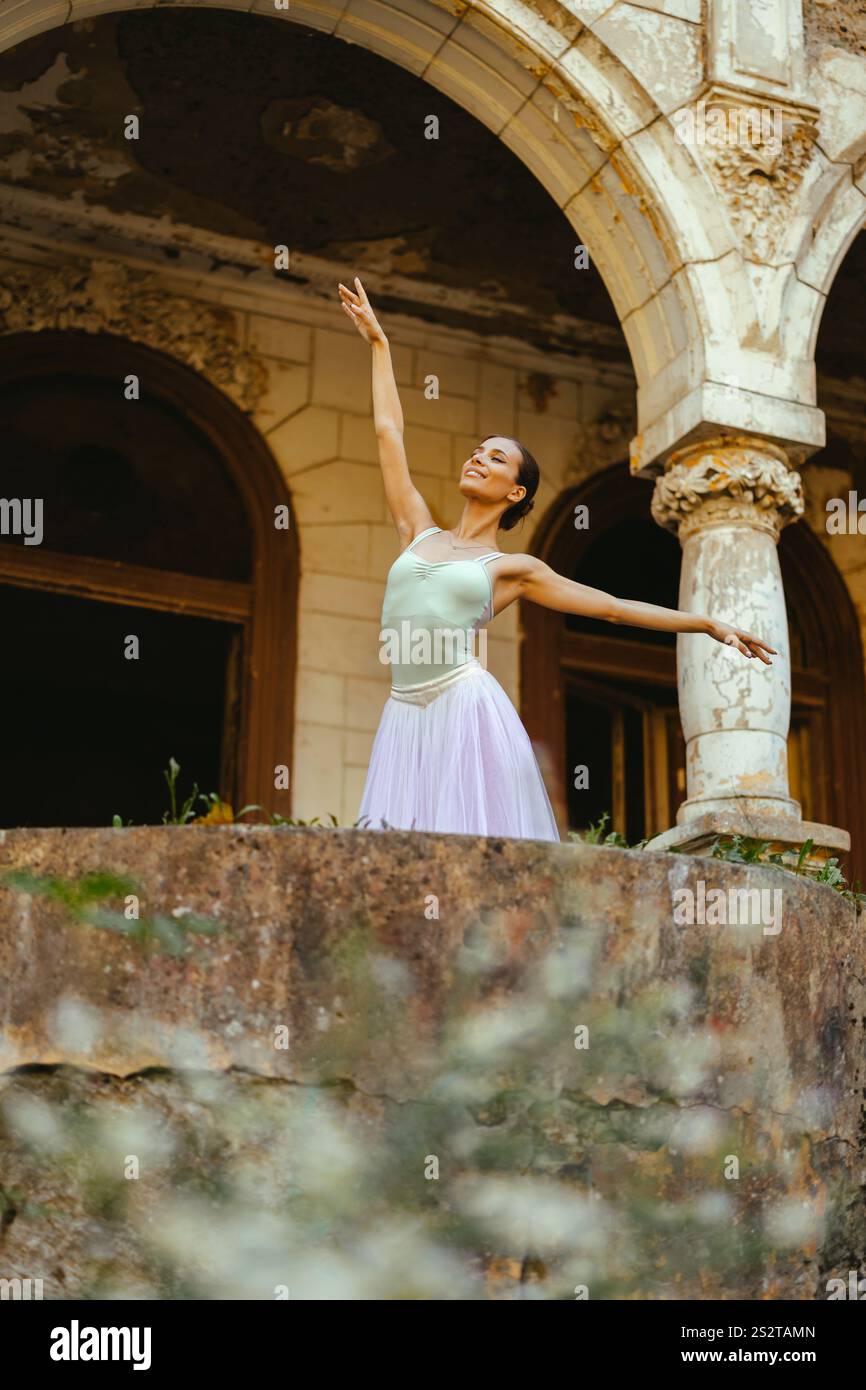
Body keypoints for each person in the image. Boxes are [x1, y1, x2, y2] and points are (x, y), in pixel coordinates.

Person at [338, 277, 776, 841]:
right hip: (402, 713)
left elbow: (614, 608)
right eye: (477, 451)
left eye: (495, 458)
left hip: (463, 705)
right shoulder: (416, 530)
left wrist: (706, 622)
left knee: (467, 841)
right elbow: (387, 431)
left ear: (515, 492)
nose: (478, 458)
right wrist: (380, 346)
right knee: (395, 844)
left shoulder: (512, 571)